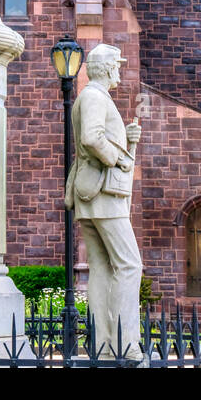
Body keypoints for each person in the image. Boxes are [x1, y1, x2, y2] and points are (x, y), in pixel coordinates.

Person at [65, 43, 144, 360]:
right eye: (118, 66)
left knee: (100, 268)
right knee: (129, 265)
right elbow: (91, 138)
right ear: (108, 67)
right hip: (104, 196)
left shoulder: (88, 97)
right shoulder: (95, 96)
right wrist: (119, 159)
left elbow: (96, 137)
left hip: (91, 195)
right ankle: (127, 344)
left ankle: (102, 345)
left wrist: (126, 137)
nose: (120, 71)